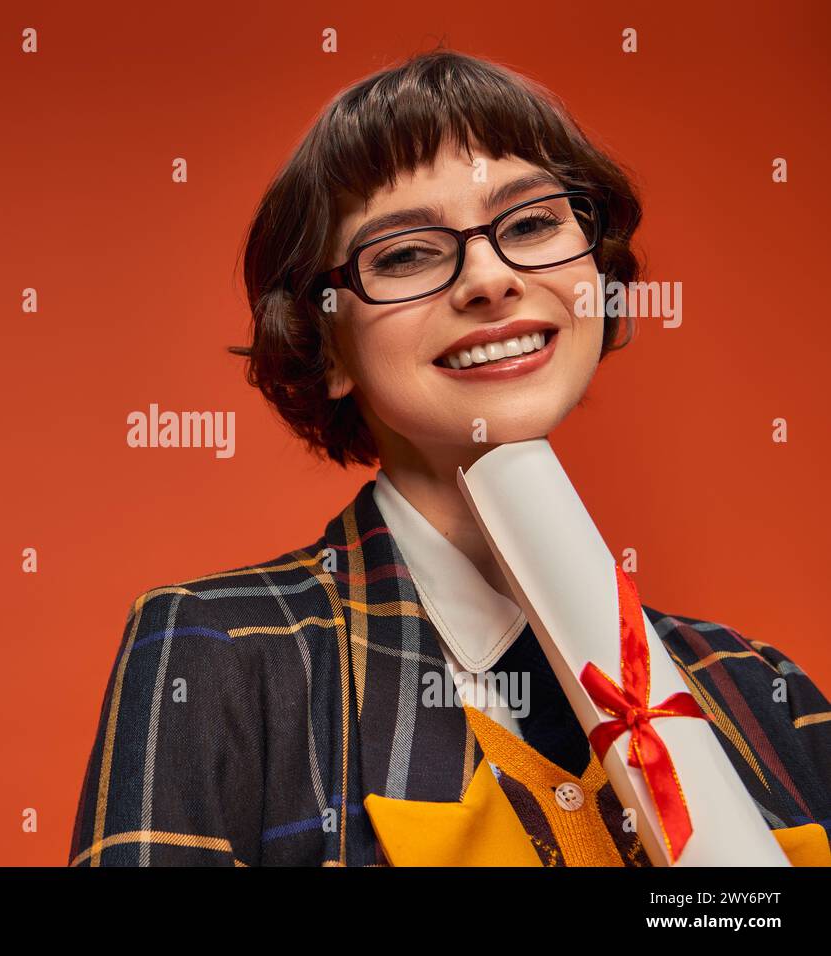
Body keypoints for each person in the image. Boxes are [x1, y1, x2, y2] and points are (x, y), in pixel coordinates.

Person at [67, 47, 831, 867]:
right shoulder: (220, 655)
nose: (489, 278)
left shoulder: (762, 693)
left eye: (533, 223)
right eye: (404, 255)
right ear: (324, 348)